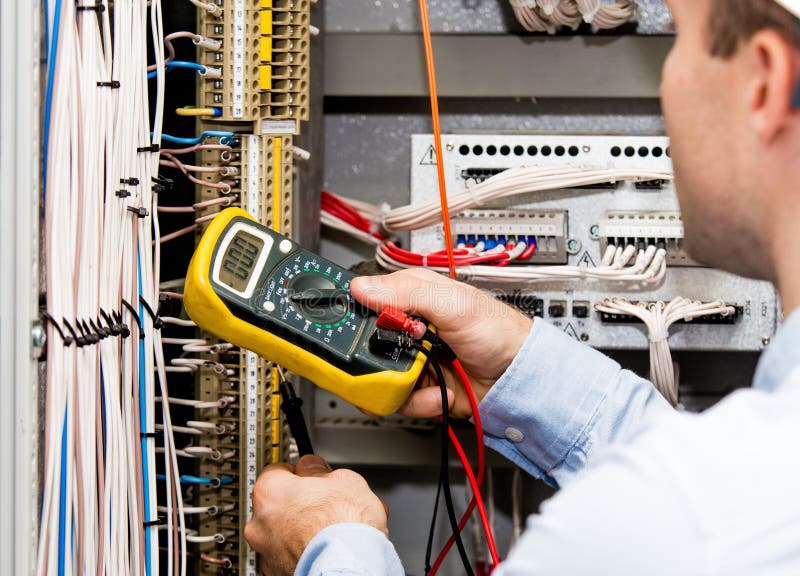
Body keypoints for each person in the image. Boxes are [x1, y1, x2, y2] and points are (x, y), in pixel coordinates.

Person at [244, 0, 800, 573]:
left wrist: (332, 545)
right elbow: (700, 481)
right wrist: (519, 366)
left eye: (678, 36)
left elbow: (683, 509)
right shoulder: (748, 481)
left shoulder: (682, 524)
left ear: (764, 81)